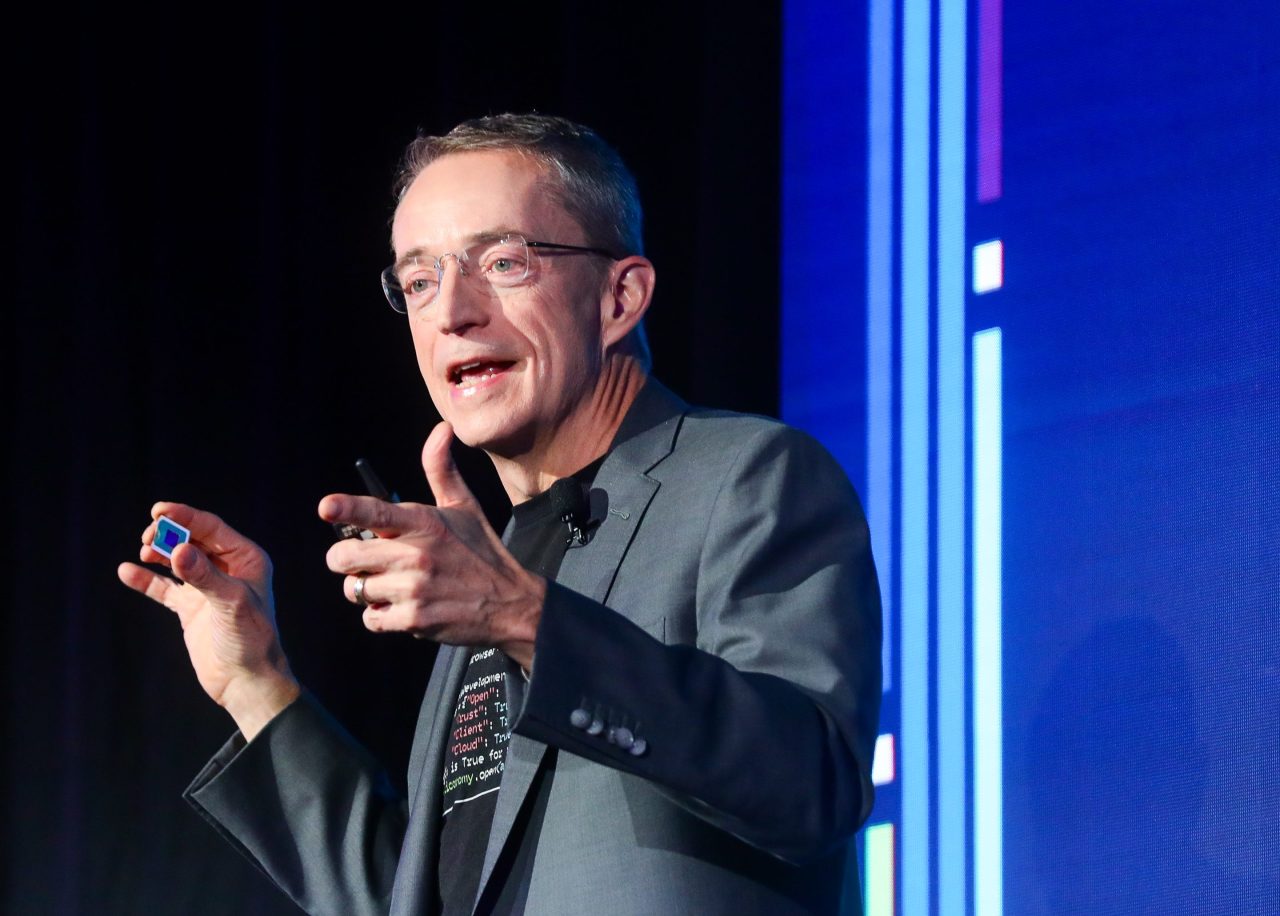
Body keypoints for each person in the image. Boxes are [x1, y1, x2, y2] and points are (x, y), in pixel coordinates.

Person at [118, 113, 882, 916]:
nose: (452, 311)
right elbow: (417, 899)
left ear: (621, 297)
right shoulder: (500, 559)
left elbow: (814, 785)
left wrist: (521, 616)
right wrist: (256, 684)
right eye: (419, 280)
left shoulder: (748, 476)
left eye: (503, 262)